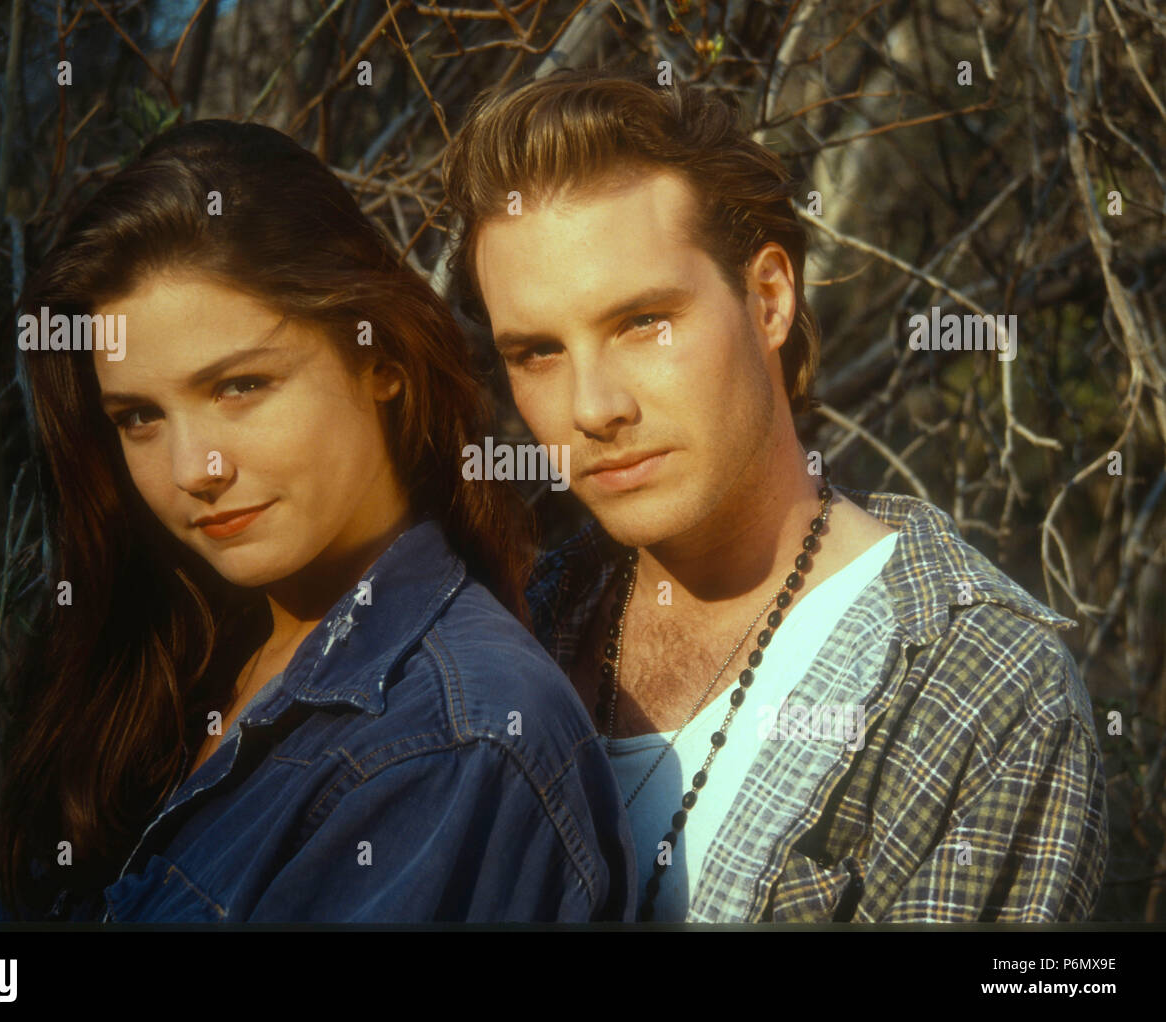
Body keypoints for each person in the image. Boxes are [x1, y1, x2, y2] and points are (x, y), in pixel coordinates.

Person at [439, 69, 1109, 922]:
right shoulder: (505, 631)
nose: (594, 407)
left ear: (768, 299)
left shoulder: (985, 694)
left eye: (643, 321)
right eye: (537, 351)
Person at [0, 119, 634, 922]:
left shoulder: (459, 742)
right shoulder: (182, 652)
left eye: (240, 386)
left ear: (380, 361)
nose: (195, 470)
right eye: (140, 417)